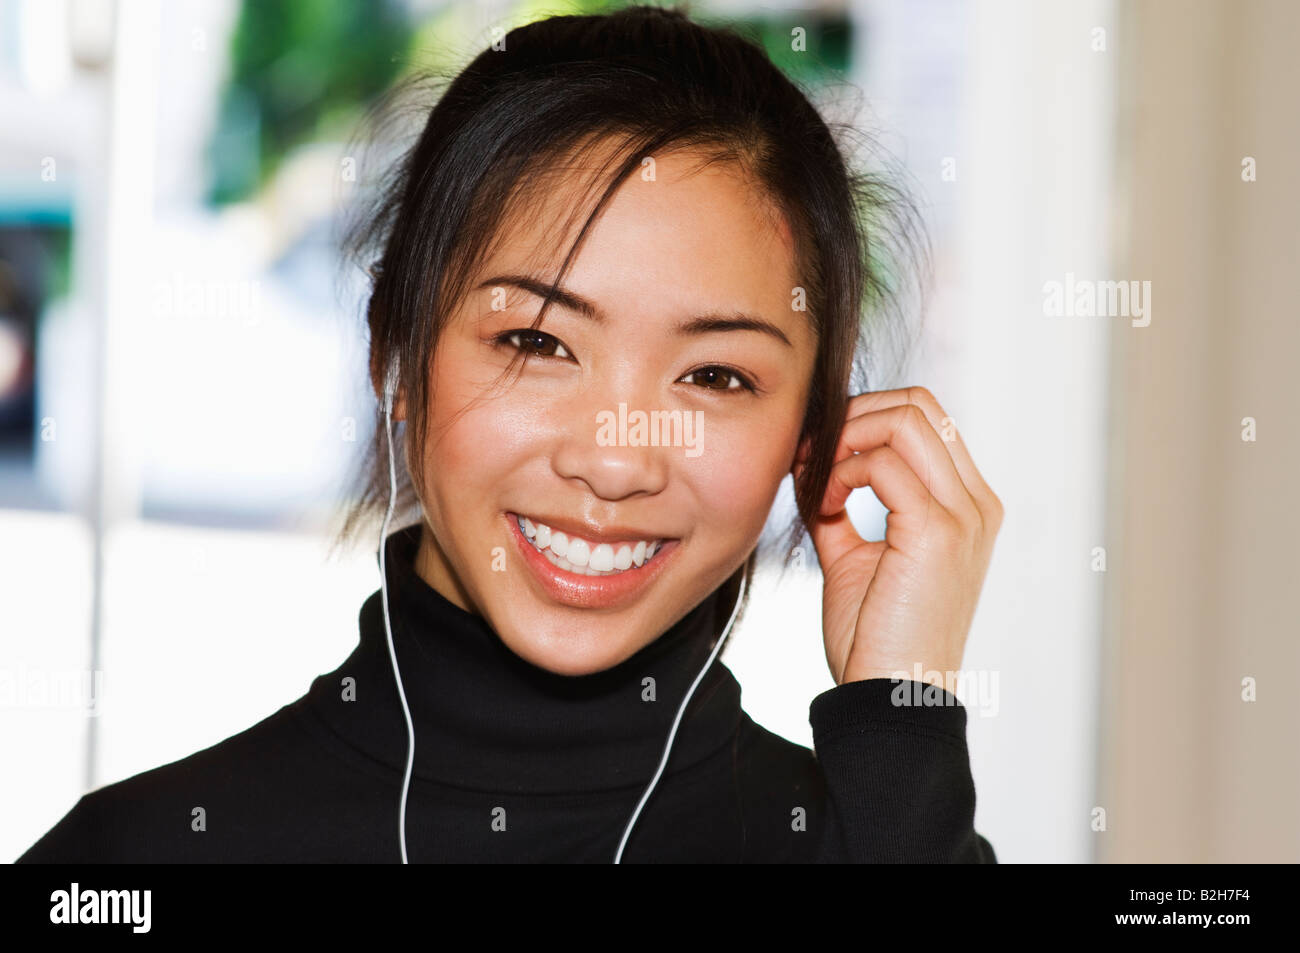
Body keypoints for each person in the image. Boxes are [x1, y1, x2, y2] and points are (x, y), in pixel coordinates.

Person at [18, 4, 1001, 863]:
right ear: (395, 355)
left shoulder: (881, 840)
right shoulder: (135, 859)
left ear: (811, 428)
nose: (614, 457)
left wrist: (900, 724)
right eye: (536, 340)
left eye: (715, 373)